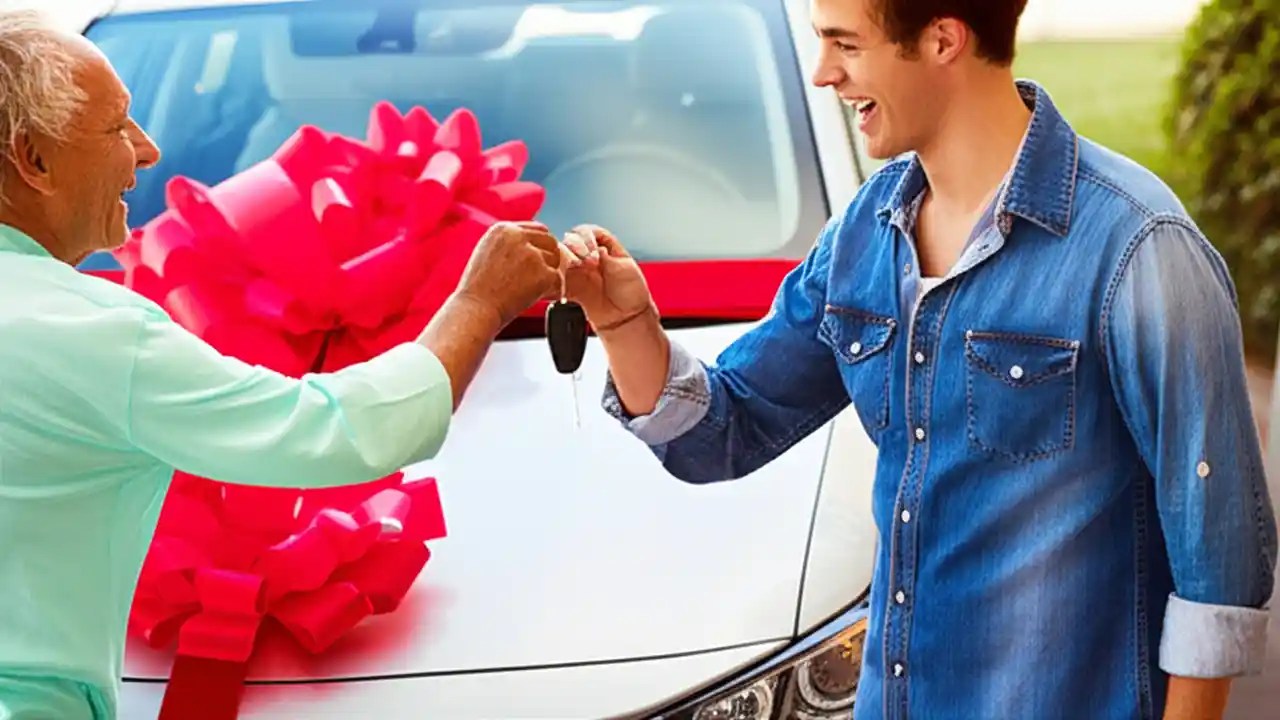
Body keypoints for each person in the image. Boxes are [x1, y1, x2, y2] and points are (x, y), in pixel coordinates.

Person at [562, 0, 1278, 718]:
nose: (824, 73)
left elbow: (1218, 568)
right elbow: (724, 428)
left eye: (846, 44)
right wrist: (624, 319)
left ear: (942, 40)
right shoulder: (865, 237)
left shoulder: (1138, 247)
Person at [0, 10, 564, 719]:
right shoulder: (91, 333)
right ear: (33, 159)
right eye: (116, 126)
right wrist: (480, 302)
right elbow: (338, 431)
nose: (146, 151)